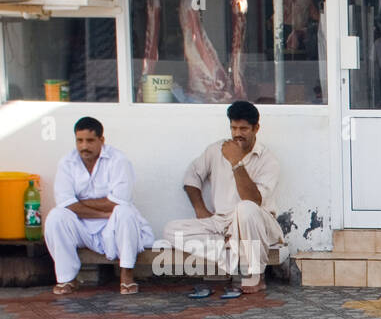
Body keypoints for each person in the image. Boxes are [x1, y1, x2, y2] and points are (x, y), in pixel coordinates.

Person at [163, 100, 284, 298]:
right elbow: (191, 177)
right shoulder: (215, 150)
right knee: (171, 230)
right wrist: (200, 209)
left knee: (245, 208)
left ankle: (256, 275)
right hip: (221, 222)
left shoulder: (268, 160)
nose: (237, 133)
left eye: (243, 128)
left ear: (256, 128)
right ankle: (232, 248)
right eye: (233, 128)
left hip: (257, 222)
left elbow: (253, 200)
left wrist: (236, 162)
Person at [45, 116, 155, 296]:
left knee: (125, 212)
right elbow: (65, 204)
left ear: (101, 140)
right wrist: (103, 210)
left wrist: (80, 204)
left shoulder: (118, 160)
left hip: (113, 227)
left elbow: (118, 201)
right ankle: (67, 278)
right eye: (79, 141)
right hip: (82, 227)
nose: (84, 146)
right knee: (56, 216)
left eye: (89, 140)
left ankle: (127, 276)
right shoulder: (67, 162)